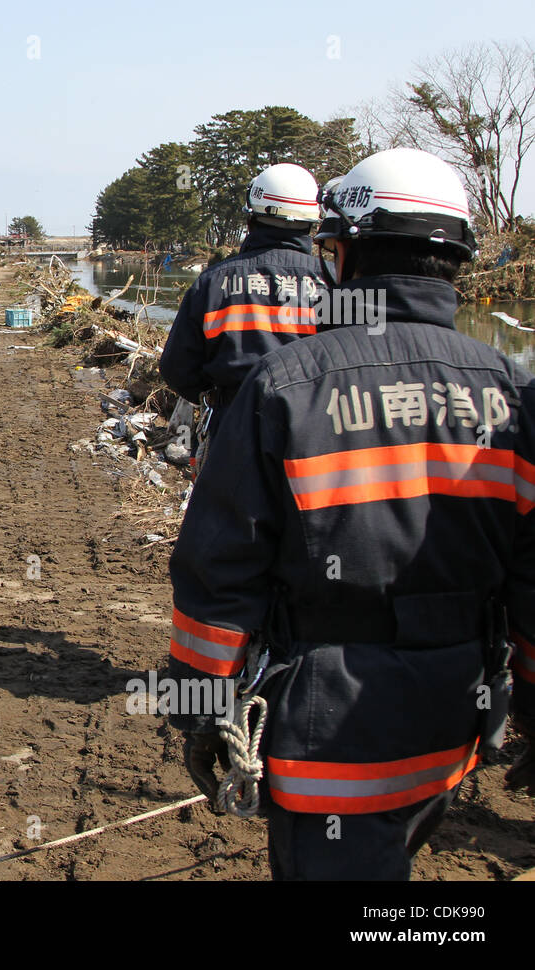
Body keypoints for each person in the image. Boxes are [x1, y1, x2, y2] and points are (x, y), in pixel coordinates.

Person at [164, 146, 535, 880]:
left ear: (345, 256)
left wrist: (202, 709)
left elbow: (217, 569)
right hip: (451, 727)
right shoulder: (514, 393)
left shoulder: (286, 389)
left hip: (325, 738)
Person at [159, 163, 326, 475]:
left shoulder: (213, 283)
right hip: (316, 438)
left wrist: (216, 398)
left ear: (251, 218)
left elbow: (176, 368)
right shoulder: (335, 285)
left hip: (234, 433)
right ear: (313, 223)